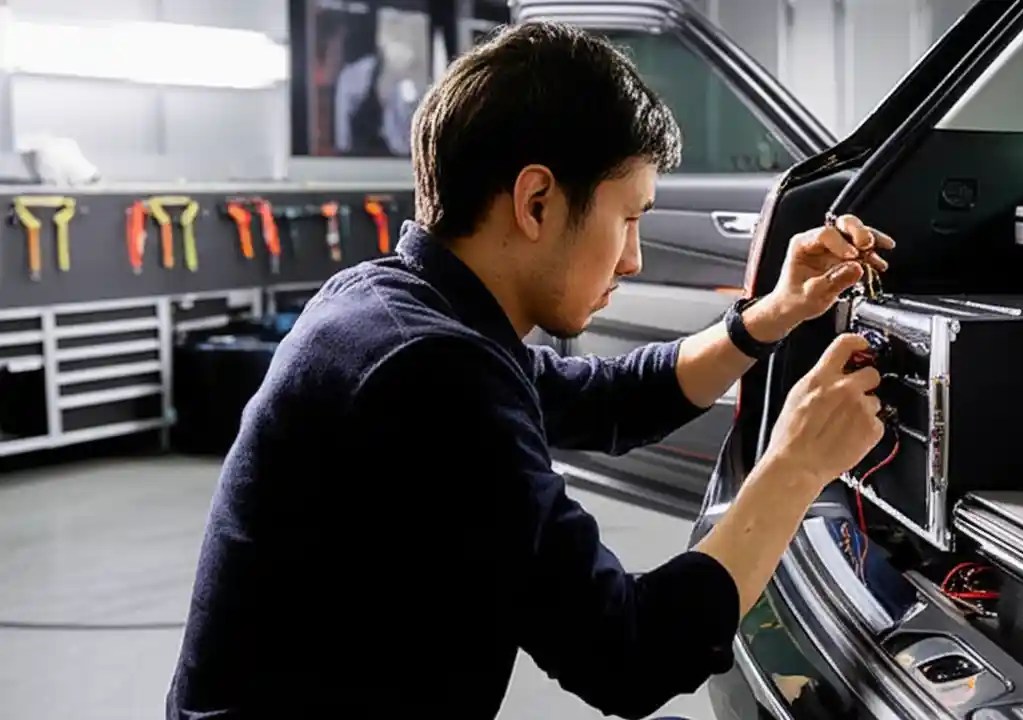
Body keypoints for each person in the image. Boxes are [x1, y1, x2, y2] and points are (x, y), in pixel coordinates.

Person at [166, 20, 891, 720]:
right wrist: (798, 465)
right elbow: (630, 654)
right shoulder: (429, 373)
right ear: (536, 201)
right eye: (629, 218)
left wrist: (773, 314)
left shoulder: (390, 307)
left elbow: (605, 399)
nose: (632, 259)